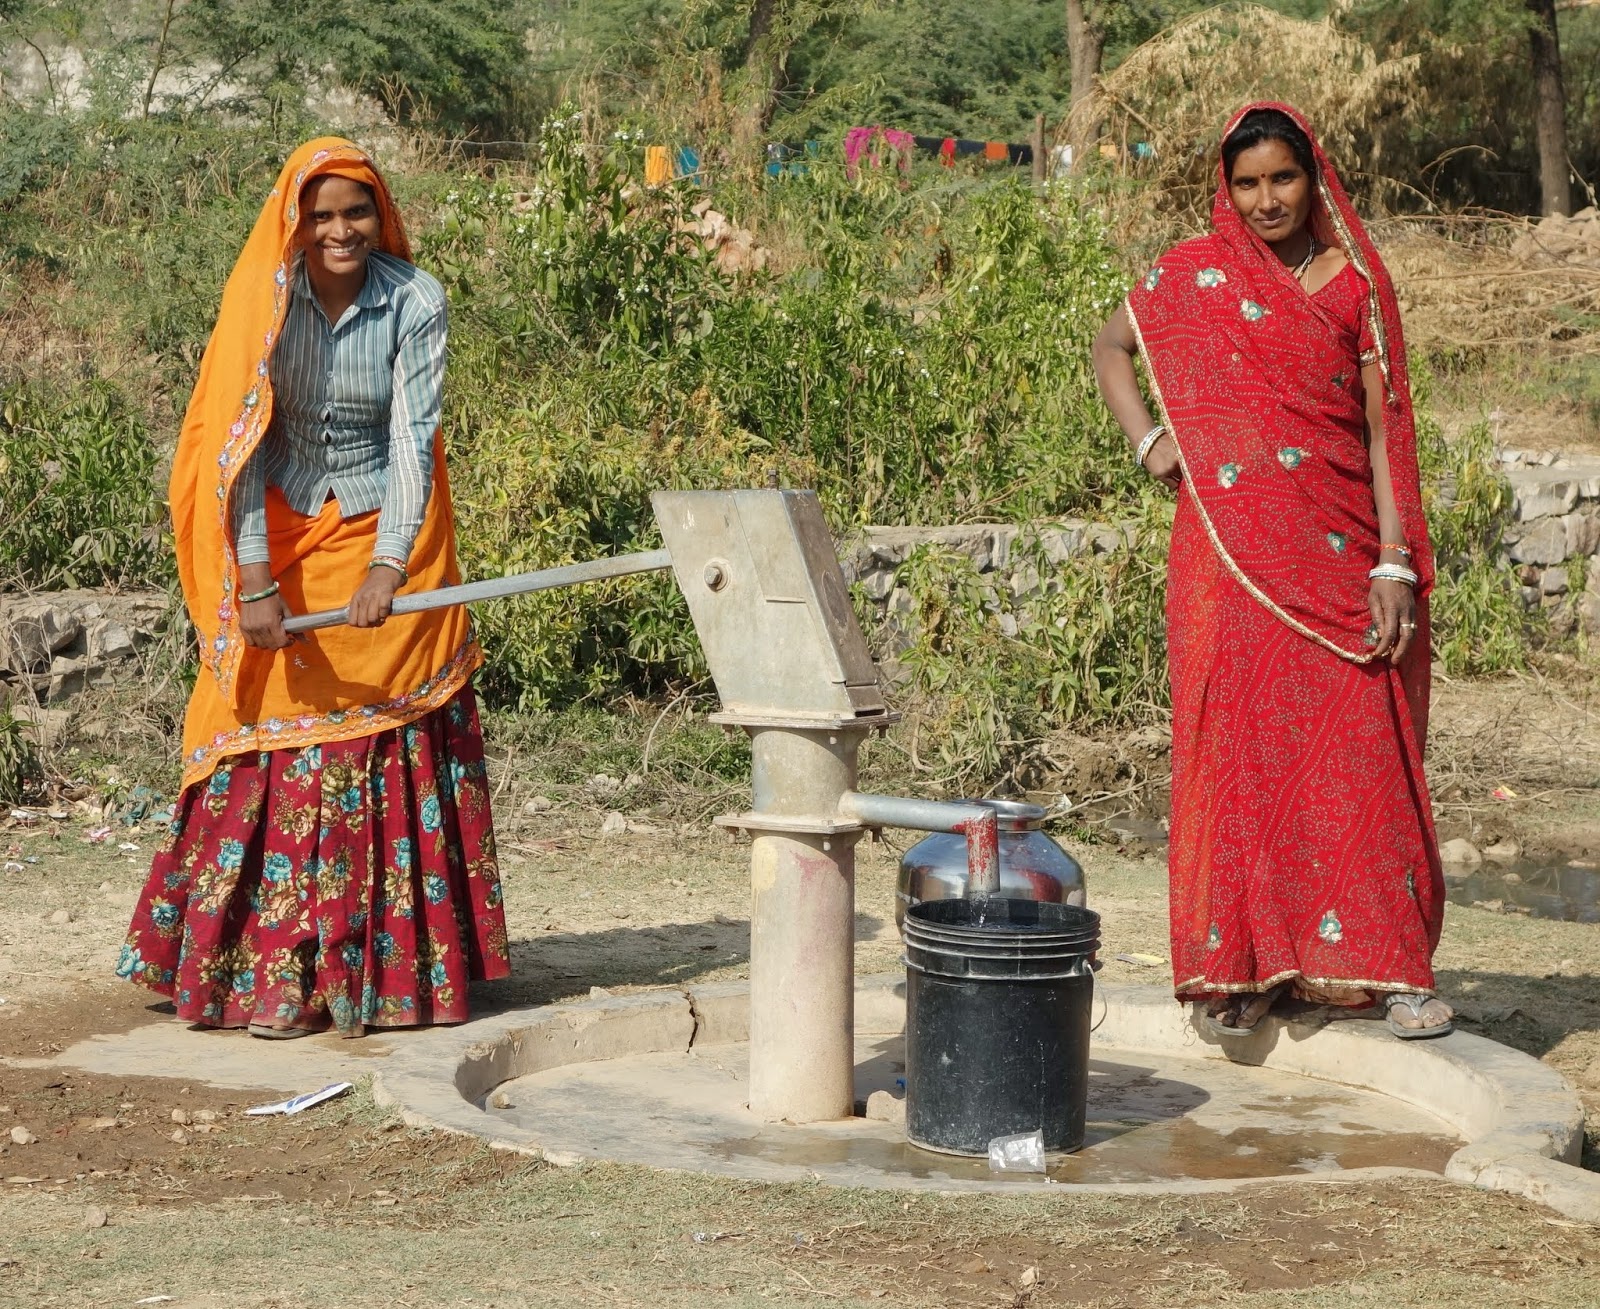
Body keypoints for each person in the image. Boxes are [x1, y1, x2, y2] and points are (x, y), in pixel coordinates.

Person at [118, 137, 510, 1038]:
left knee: (381, 743)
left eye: (356, 210)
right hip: (278, 532)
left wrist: (388, 565)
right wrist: (254, 579)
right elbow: (241, 444)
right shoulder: (266, 303)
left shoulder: (416, 300)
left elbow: (412, 441)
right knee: (261, 740)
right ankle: (272, 975)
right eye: (321, 214)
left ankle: (386, 973)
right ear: (295, 223)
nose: (340, 230)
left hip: (384, 532)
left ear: (381, 214)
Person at [1091, 103, 1453, 1040]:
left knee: (1362, 748)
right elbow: (1110, 346)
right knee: (1243, 758)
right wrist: (1149, 442)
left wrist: (1393, 560)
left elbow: (1383, 431)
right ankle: (1250, 966)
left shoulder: (1355, 287)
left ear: (1313, 177)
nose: (1265, 200)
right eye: (1247, 183)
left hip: (1337, 553)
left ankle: (1396, 968)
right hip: (1224, 556)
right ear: (1227, 187)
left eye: (1282, 178)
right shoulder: (1194, 274)